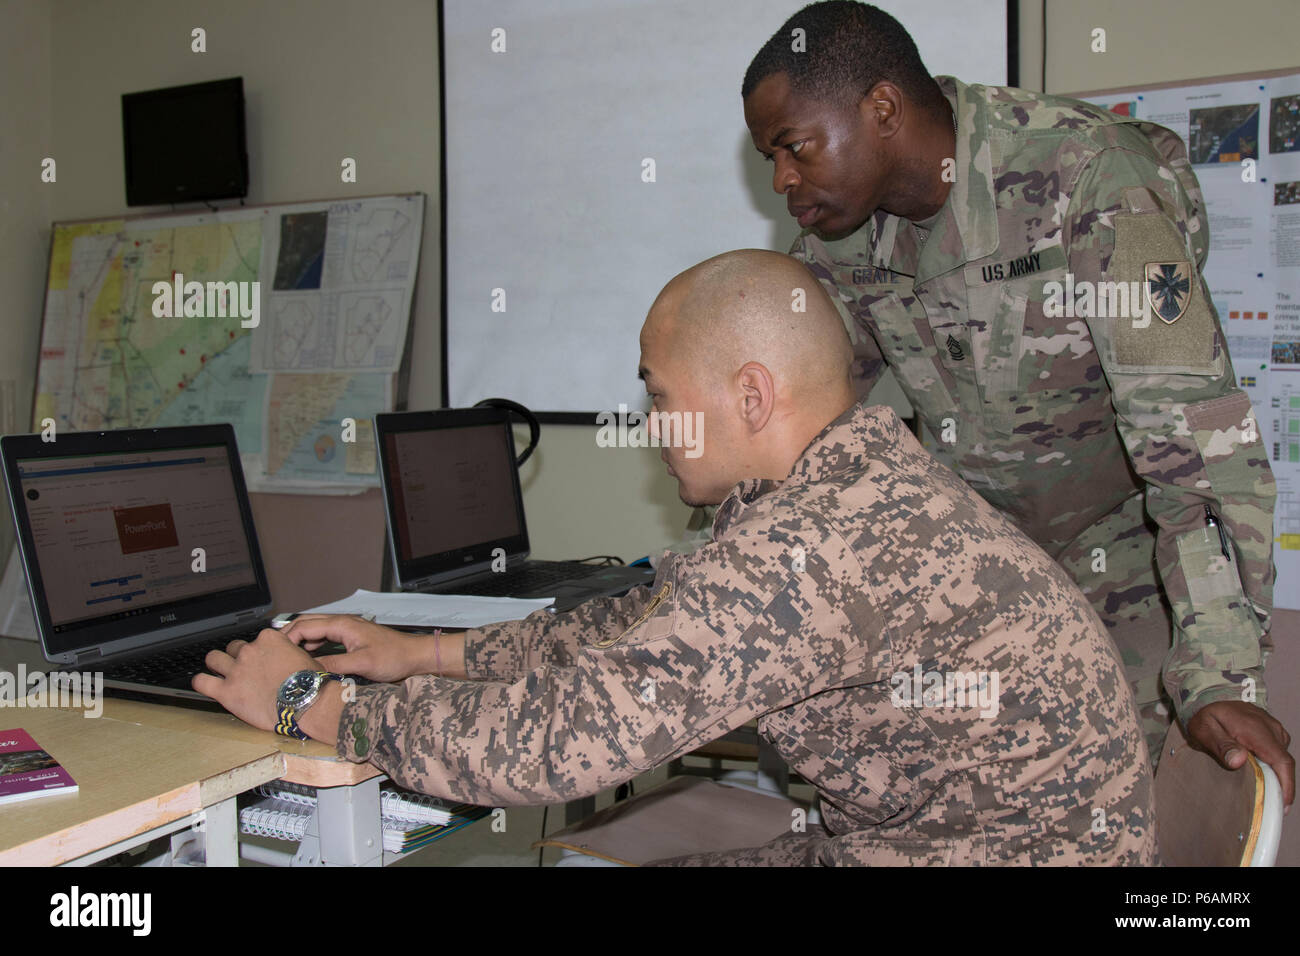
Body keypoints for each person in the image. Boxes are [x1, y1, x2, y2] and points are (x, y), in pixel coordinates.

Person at [196, 249, 1155, 865]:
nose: (648, 424)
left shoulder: (806, 548)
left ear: (748, 394)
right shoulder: (847, 484)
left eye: (658, 396)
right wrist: (423, 653)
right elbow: (641, 630)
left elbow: (557, 742)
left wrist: (311, 705)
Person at [742, 0, 1293, 800]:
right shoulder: (842, 235)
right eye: (769, 158)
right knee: (913, 792)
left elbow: (1194, 437)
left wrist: (1219, 671)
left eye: (793, 147)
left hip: (1126, 544)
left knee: (1101, 802)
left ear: (883, 109)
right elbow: (798, 427)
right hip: (986, 558)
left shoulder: (1092, 178)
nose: (782, 180)